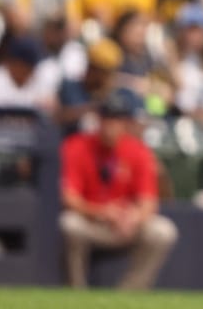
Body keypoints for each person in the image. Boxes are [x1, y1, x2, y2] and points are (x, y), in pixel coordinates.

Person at [58, 89, 178, 289]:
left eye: (117, 119)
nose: (111, 125)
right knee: (69, 224)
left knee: (163, 231)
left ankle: (129, 294)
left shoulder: (138, 150)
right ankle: (75, 291)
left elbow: (149, 202)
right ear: (98, 120)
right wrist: (102, 212)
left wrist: (133, 217)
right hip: (92, 221)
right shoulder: (76, 146)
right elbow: (69, 198)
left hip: (125, 225)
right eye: (107, 118)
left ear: (126, 123)